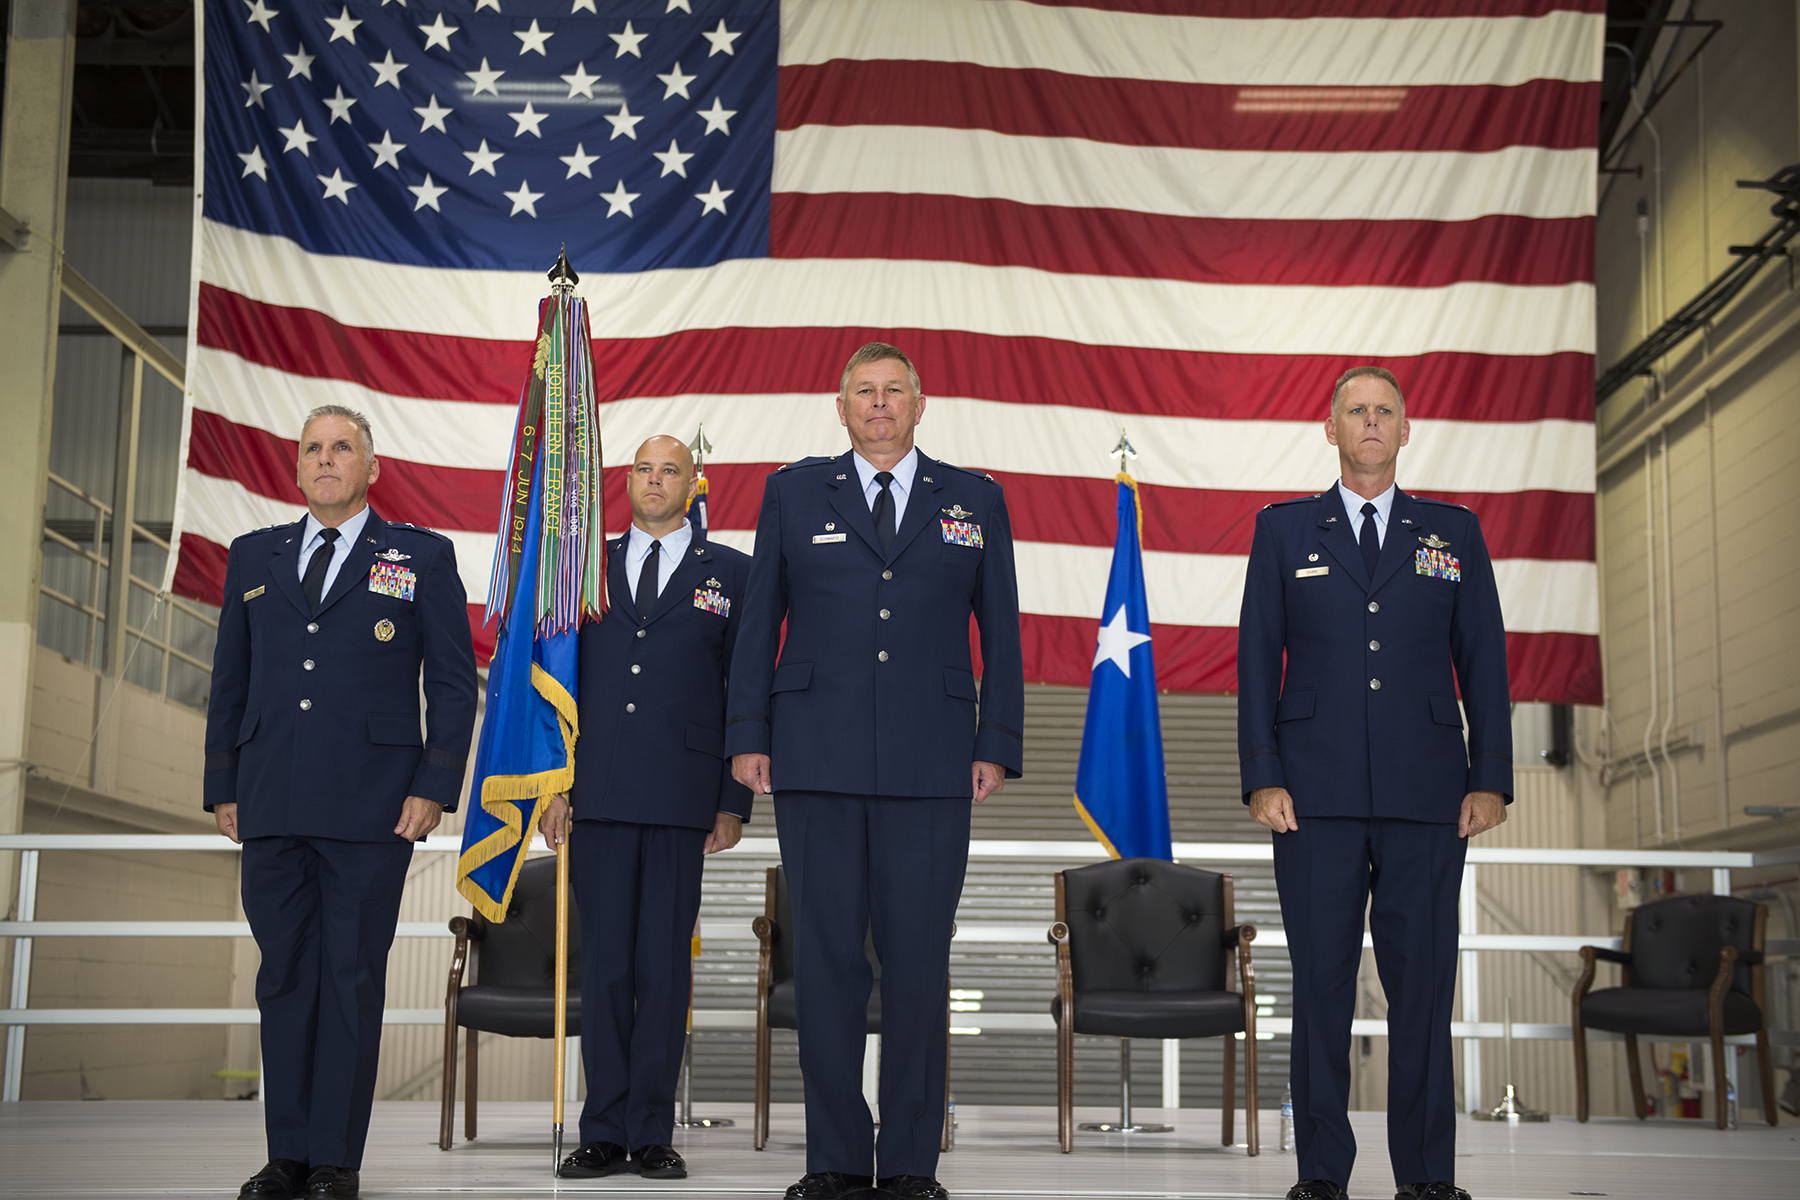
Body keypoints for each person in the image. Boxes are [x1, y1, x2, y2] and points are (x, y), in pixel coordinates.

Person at [726, 343, 1025, 1200]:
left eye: (896, 392)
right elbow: (758, 624)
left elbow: (1000, 626)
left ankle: (907, 1163)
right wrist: (749, 731)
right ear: (841, 405)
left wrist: (995, 739)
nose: (881, 405)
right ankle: (833, 1159)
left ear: (921, 404)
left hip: (934, 761)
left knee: (919, 962)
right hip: (813, 754)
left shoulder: (974, 498)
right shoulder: (792, 491)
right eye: (866, 392)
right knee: (823, 962)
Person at [1236, 367, 1512, 1200]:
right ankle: (1321, 1174)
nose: (1368, 423)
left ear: (1404, 428)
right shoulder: (1285, 531)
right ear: (1330, 430)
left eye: (1382, 411)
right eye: (1354, 411)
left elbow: (1485, 662)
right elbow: (1255, 660)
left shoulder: (1453, 533)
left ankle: (1427, 1177)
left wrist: (1490, 776)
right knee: (1319, 988)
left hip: (1429, 795)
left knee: (1423, 991)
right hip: (1310, 798)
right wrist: (1261, 776)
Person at [205, 405, 478, 1200]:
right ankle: (284, 1154)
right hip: (272, 800)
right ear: (296, 469)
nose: (326, 461)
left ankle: (333, 1160)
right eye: (313, 450)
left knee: (351, 980)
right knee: (284, 978)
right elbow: (231, 681)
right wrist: (223, 784)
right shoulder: (255, 555)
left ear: (372, 466)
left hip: (375, 804)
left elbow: (453, 684)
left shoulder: (420, 556)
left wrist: (434, 784)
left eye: (342, 449)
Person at [537, 435, 753, 1181]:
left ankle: (652, 1129)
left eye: (670, 470)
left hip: (682, 795)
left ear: (694, 484)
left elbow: (743, 693)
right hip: (594, 790)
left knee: (662, 969)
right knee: (603, 968)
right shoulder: (582, 569)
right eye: (642, 469)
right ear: (624, 481)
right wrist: (554, 783)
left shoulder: (731, 574)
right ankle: (603, 1128)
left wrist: (732, 801)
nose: (654, 480)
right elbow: (553, 680)